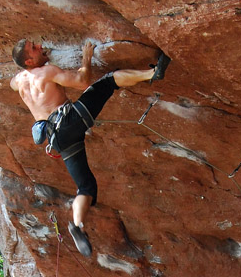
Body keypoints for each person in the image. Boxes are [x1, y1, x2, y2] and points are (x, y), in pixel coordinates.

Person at [10, 39, 170, 256]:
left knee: (86, 187)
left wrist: (32, 63)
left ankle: (76, 224)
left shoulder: (19, 81)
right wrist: (86, 56)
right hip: (69, 121)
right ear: (29, 61)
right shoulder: (45, 72)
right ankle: (153, 74)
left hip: (56, 139)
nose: (40, 46)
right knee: (108, 80)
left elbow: (15, 79)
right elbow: (82, 81)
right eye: (34, 48)